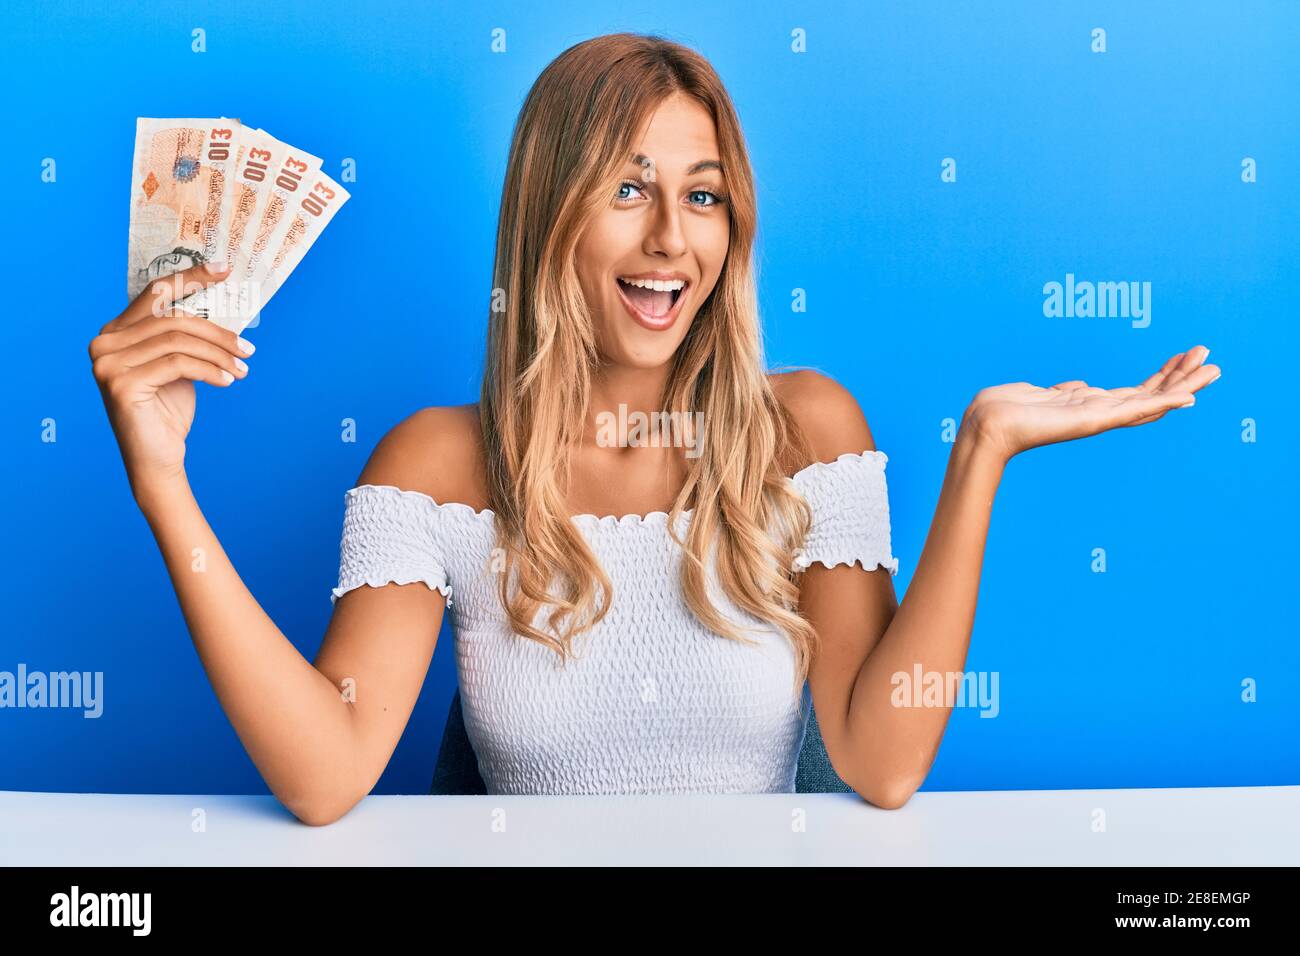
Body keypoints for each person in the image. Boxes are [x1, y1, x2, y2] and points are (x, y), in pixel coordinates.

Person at [87, 33, 1219, 825]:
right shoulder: (435, 464)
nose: (673, 236)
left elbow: (881, 762)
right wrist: (164, 482)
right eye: (628, 189)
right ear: (550, 210)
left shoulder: (806, 429)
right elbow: (327, 774)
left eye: (705, 192)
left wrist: (979, 456)